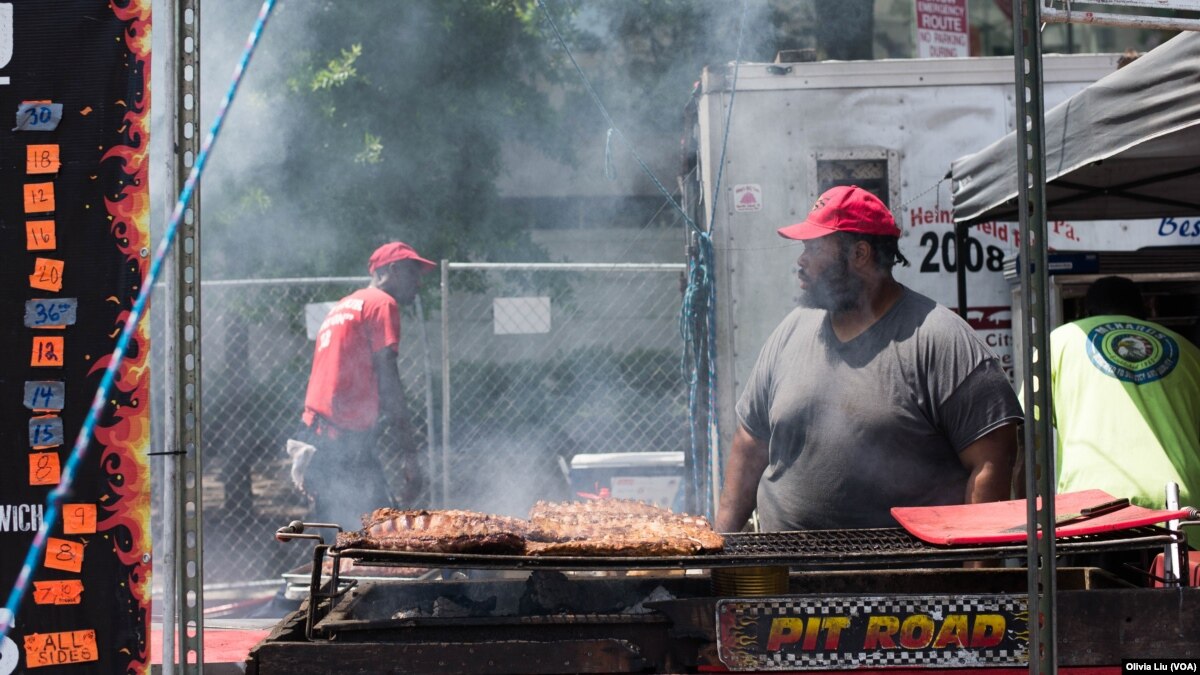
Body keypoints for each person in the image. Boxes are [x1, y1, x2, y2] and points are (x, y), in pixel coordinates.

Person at [715, 185, 1022, 533]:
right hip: (784, 576)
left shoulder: (940, 339)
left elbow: (992, 461)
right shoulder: (791, 331)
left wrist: (976, 576)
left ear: (860, 254)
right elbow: (750, 441)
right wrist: (721, 544)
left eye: (814, 248)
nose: (801, 261)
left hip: (905, 581)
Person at [300, 241, 435, 530]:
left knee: (336, 533)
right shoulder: (382, 304)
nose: (419, 282)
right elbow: (388, 381)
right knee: (375, 534)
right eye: (414, 273)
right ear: (394, 270)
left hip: (321, 434)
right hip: (343, 440)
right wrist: (410, 456)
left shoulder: (346, 304)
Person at [1050, 275, 1200, 510]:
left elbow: (1026, 433)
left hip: (1092, 498)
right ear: (1145, 310)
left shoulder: (1061, 340)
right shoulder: (1187, 349)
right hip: (1179, 496)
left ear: (1086, 312)